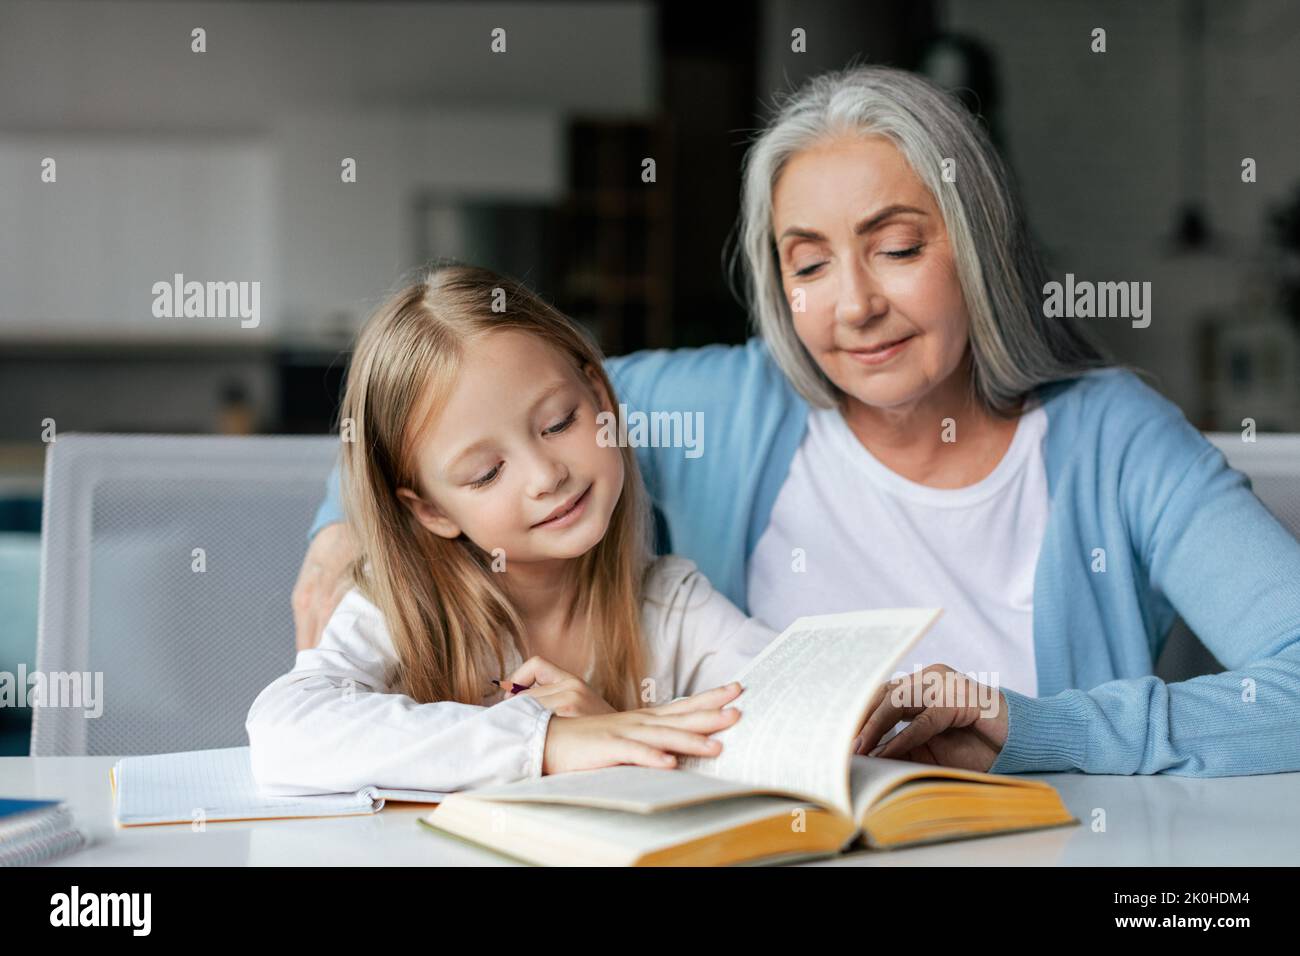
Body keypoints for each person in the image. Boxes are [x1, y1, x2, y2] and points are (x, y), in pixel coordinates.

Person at [293, 65, 1300, 777]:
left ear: (980, 247)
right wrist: (344, 537)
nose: (850, 304)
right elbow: (453, 427)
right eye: (807, 262)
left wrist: (1039, 726)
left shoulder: (1114, 439)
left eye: (896, 246)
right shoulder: (718, 407)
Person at [247, 265, 774, 795]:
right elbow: (283, 731)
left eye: (559, 423)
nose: (547, 476)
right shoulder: (402, 611)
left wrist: (611, 731)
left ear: (599, 395)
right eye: (487, 474)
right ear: (432, 510)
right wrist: (548, 742)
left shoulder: (672, 604)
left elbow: (801, 696)